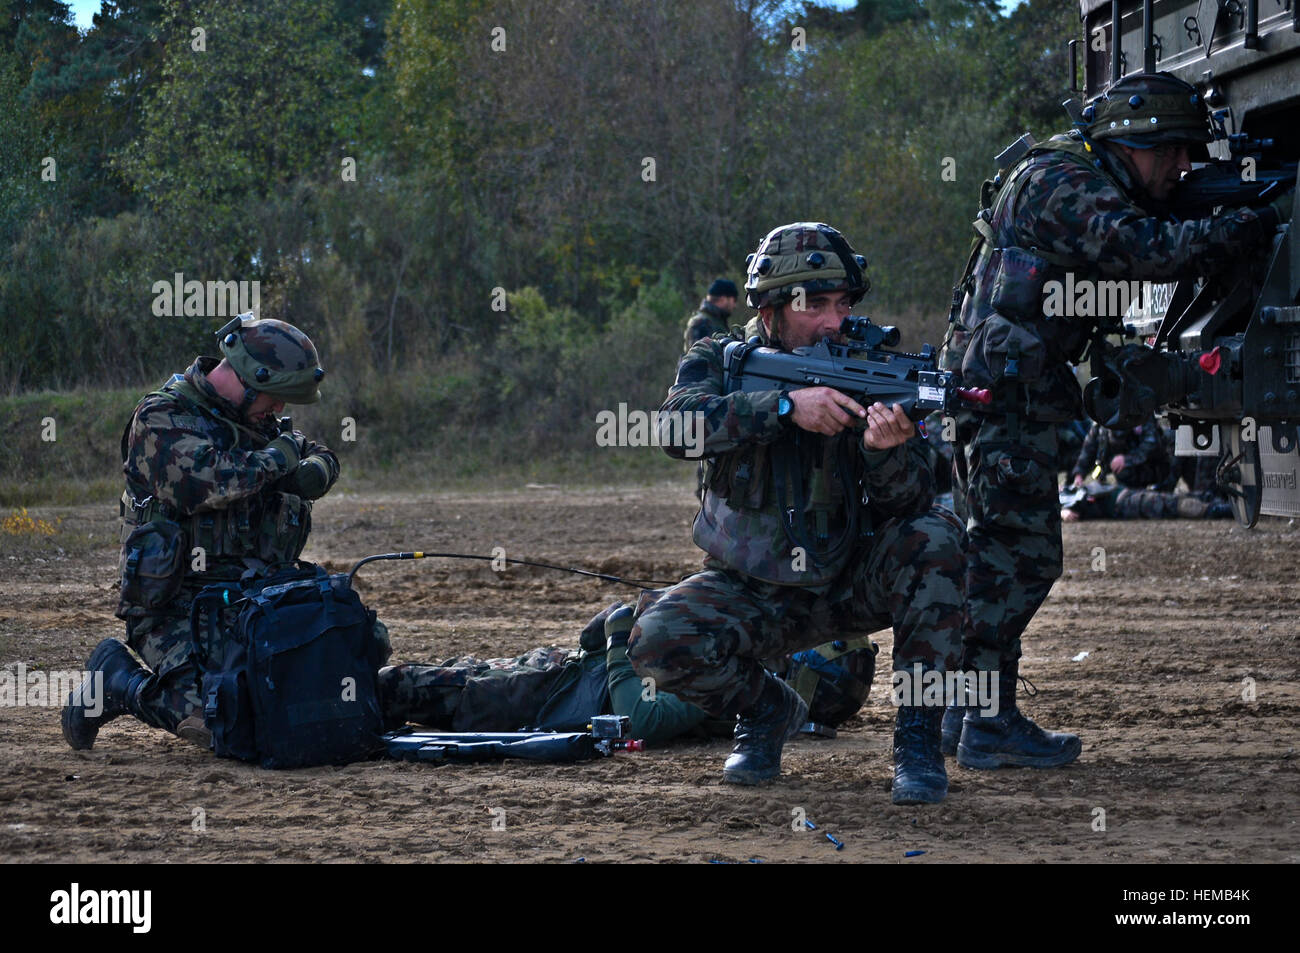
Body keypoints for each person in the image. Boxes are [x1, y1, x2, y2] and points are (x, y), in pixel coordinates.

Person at [939, 71, 1290, 767]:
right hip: (1007, 401)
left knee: (1001, 559)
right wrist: (1244, 227)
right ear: (1135, 142)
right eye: (1176, 153)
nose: (1183, 169)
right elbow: (1150, 252)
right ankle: (984, 723)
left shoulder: (1060, 175)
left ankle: (968, 713)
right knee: (1019, 560)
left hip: (1007, 394)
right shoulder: (1061, 184)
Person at [628, 222, 967, 804]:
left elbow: (909, 504)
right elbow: (673, 427)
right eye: (816, 304)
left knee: (937, 538)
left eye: (842, 304)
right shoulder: (720, 358)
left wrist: (883, 453)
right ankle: (765, 712)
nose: (833, 320)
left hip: (845, 583)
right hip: (752, 590)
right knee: (656, 641)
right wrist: (784, 407)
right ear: (771, 310)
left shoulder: (874, 371)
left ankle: (916, 741)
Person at [62, 314, 341, 750]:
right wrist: (281, 460)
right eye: (275, 397)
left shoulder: (258, 423)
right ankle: (115, 681)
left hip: (250, 604)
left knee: (324, 692)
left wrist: (314, 470)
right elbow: (209, 480)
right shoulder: (161, 418)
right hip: (173, 610)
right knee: (220, 723)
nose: (280, 411)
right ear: (250, 378)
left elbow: (315, 452)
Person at [378, 600, 877, 745]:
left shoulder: (732, 686)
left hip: (546, 699)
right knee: (421, 678)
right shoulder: (755, 683)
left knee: (399, 688)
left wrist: (618, 642)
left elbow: (642, 717)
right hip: (561, 674)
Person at [1069, 414, 1172, 489]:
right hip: (1118, 465)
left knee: (1123, 471)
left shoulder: (1140, 411)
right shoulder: (1103, 417)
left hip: (1151, 467)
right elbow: (1089, 447)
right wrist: (1079, 474)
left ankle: (1135, 493)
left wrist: (1126, 460)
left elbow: (1151, 444)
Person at [1059, 482, 1232, 522]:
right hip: (1122, 505)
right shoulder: (1061, 502)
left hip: (1124, 493)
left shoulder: (1066, 491)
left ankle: (1213, 500)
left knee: (1170, 498)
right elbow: (1063, 512)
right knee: (1167, 504)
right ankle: (1216, 510)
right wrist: (1062, 511)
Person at [682, 278, 738, 353]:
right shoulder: (701, 323)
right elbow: (696, 358)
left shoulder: (715, 320)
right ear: (723, 299)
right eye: (734, 300)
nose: (735, 305)